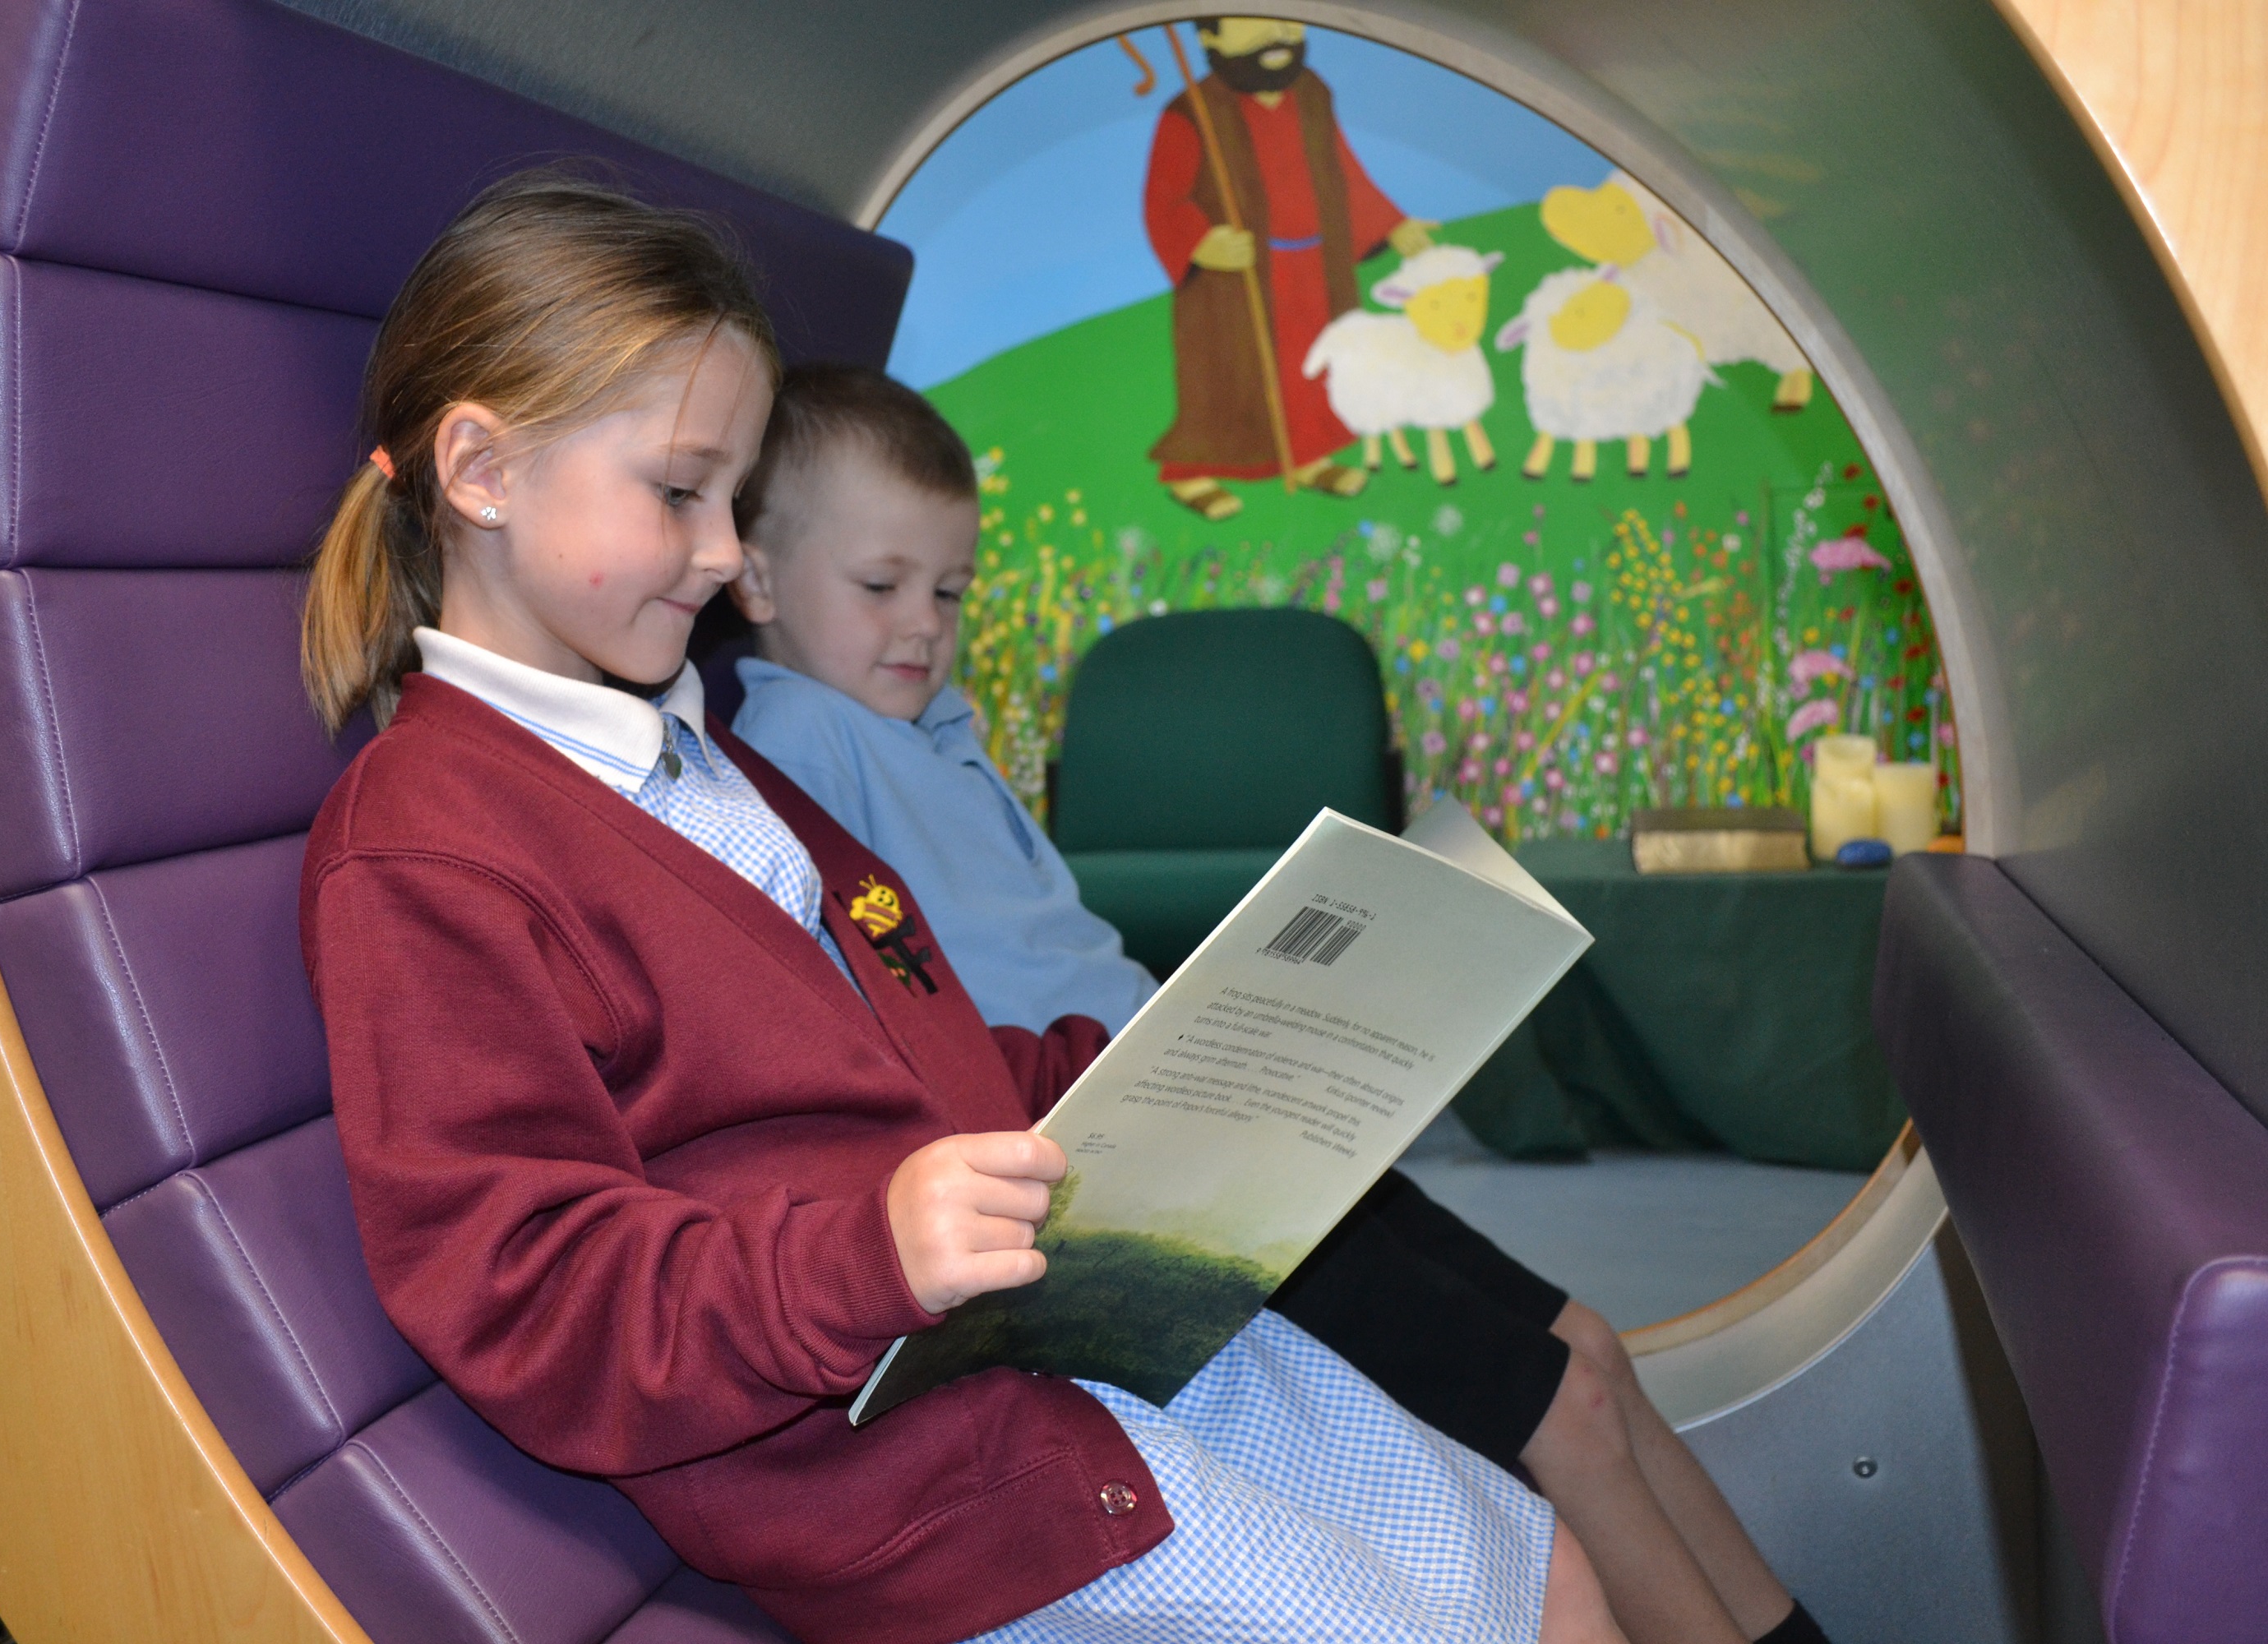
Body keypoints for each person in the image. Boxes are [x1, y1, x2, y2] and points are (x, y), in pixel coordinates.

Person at [298, 172, 1625, 1644]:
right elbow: (532, 1291)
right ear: (481, 471)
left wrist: (1163, 1070)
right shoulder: (426, 847)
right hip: (922, 1483)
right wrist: (870, 1252)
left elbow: (902, 1047)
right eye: (681, 494)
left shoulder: (700, 757)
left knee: (1547, 1572)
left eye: (732, 504)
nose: (729, 556)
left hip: (1066, 1336)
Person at [729, 363, 1834, 1644]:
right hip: (1142, 1173)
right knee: (1561, 1410)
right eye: (880, 587)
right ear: (753, 579)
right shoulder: (792, 745)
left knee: (1589, 1349)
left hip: (1228, 1116)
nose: (922, 624)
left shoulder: (938, 728)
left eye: (951, 592)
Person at [1143, 16, 1436, 520]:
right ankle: (1190, 474)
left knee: (1310, 368)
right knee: (1227, 375)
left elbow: (1344, 171)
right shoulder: (1191, 112)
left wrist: (1390, 224)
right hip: (1235, 280)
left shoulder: (1313, 93)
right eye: (1253, 23)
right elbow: (1163, 197)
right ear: (1209, 37)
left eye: (1284, 20)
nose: (1275, 35)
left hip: (1314, 265)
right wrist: (1201, 242)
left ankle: (1306, 460)